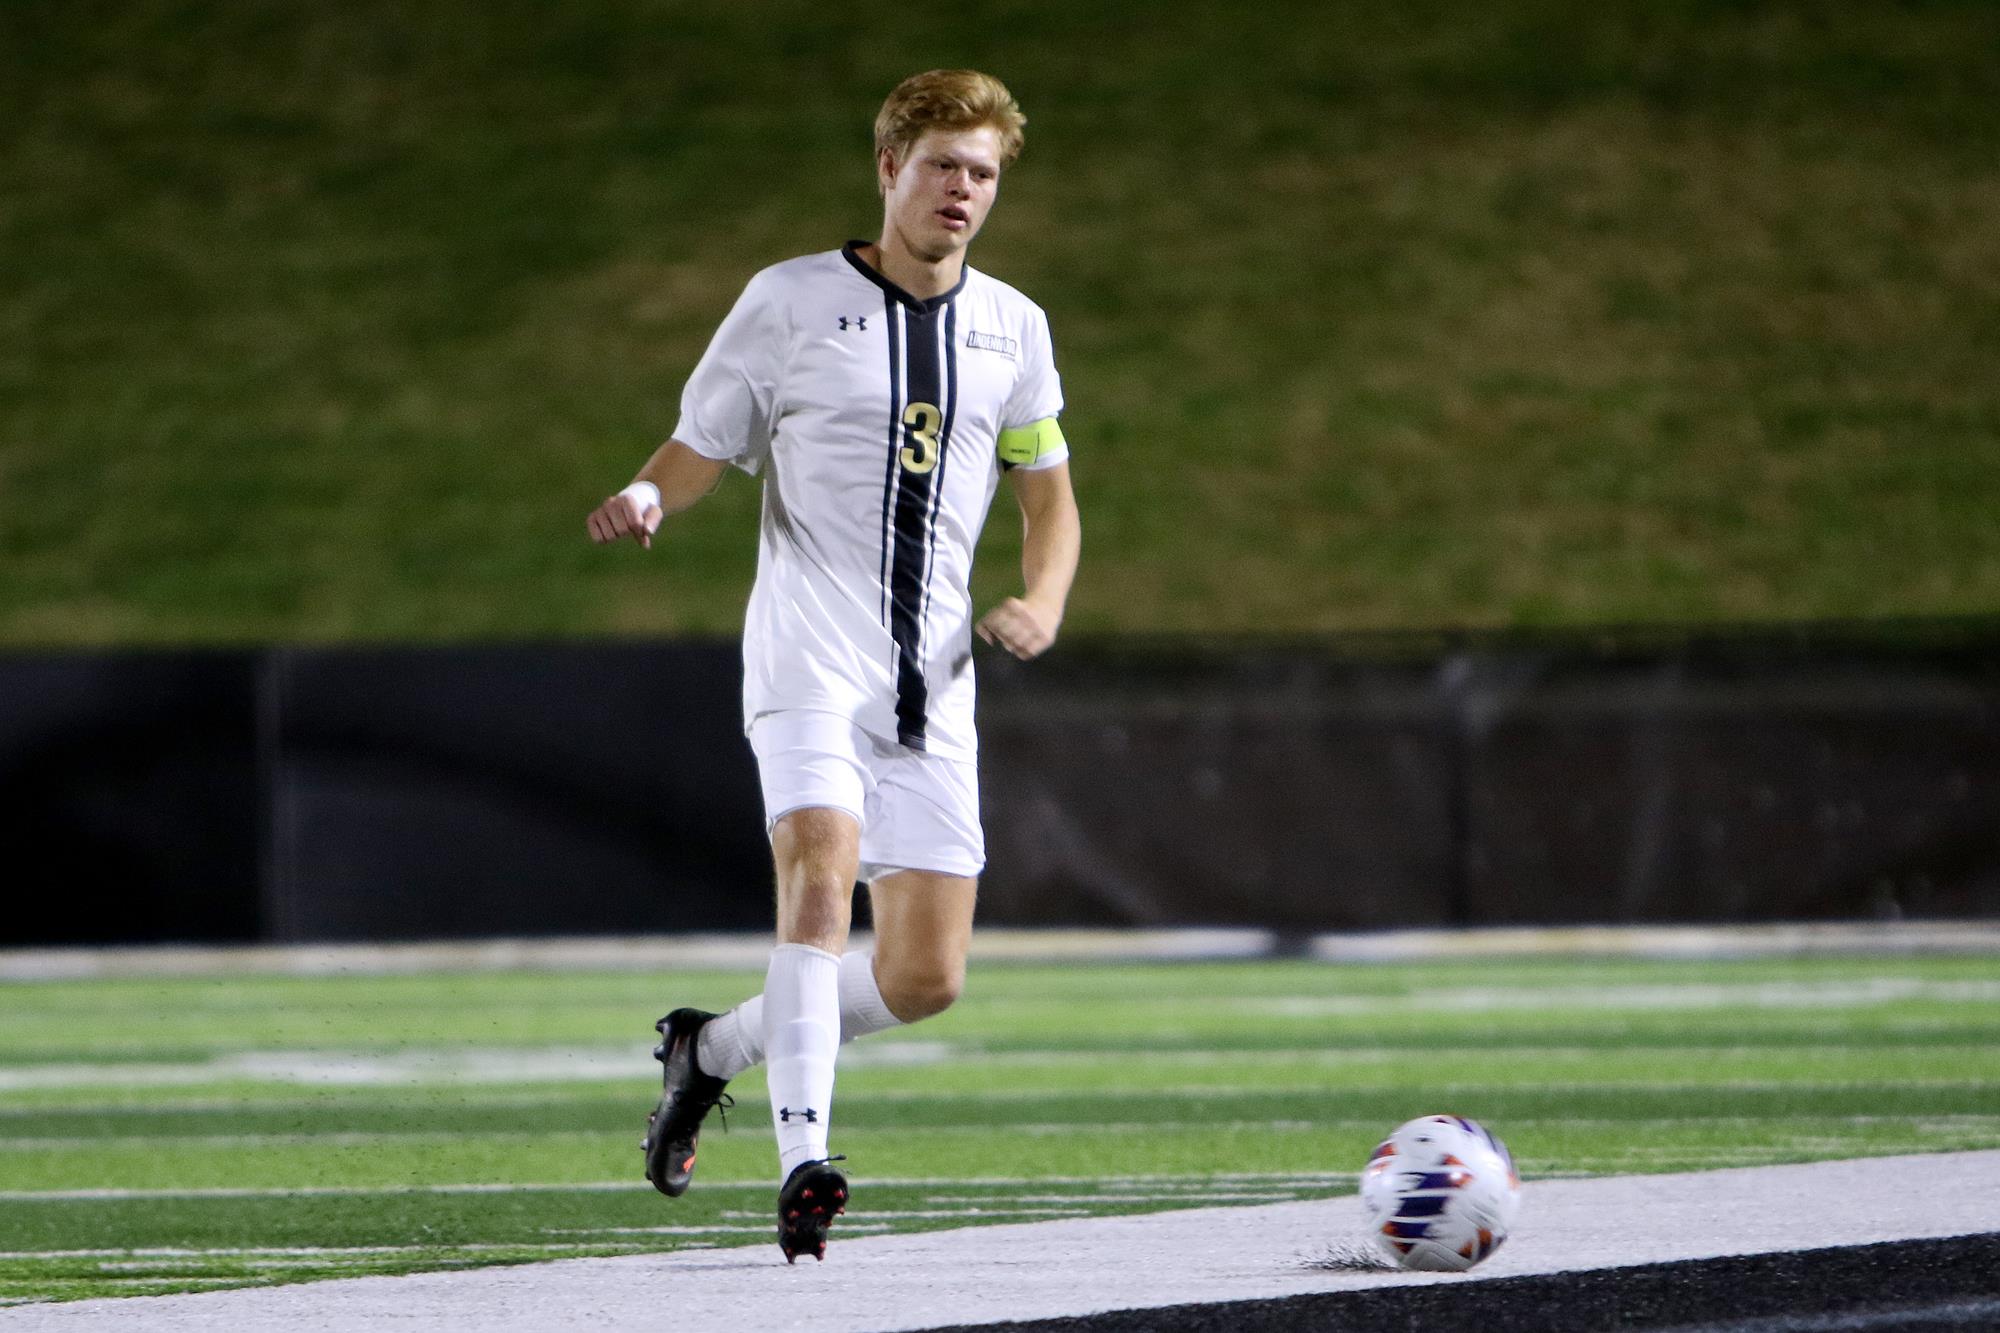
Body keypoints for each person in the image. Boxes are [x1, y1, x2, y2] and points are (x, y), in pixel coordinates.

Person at [585, 68, 1081, 1264]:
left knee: (924, 978)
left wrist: (1043, 600)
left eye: (982, 174)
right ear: (887, 170)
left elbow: (1051, 502)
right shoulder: (791, 301)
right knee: (817, 877)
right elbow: (703, 441)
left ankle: (708, 1053)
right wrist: (652, 491)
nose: (961, 190)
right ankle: (805, 1158)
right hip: (807, 653)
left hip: (935, 682)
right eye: (940, 167)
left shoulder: (1014, 327)